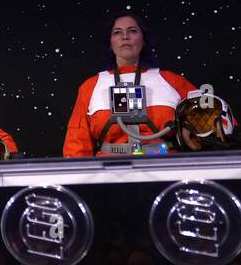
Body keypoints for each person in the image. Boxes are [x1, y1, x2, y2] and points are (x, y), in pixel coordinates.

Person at [63, 13, 208, 157]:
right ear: (110, 43)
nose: (125, 36)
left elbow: (215, 116)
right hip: (110, 172)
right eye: (117, 32)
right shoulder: (90, 86)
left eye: (132, 30)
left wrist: (195, 125)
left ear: (144, 40)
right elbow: (76, 144)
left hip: (164, 167)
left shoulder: (172, 80)